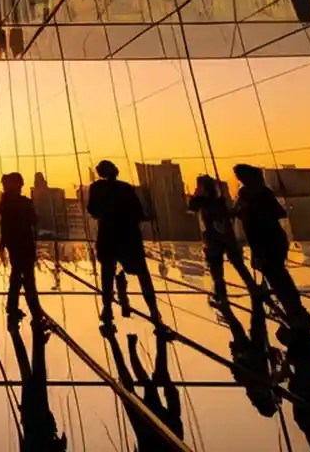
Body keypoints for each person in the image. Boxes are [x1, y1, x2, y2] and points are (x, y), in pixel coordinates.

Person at [232, 164, 310, 327]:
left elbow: (248, 215)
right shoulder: (260, 193)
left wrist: (247, 212)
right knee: (279, 276)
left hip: (266, 240)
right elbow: (278, 212)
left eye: (239, 176)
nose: (238, 179)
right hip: (271, 240)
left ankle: (295, 312)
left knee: (277, 276)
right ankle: (295, 310)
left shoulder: (254, 195)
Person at [87, 160, 161, 332]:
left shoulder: (97, 188)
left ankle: (107, 309)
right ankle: (153, 310)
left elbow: (93, 210)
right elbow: (138, 212)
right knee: (142, 273)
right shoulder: (126, 188)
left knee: (107, 273)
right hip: (129, 235)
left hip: (108, 235)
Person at [105, 329, 185, 450]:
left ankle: (113, 338)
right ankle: (114, 339)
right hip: (158, 426)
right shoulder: (174, 430)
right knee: (137, 385)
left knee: (130, 387)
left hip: (151, 427)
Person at [189, 174, 258, 301]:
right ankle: (251, 286)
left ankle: (221, 292)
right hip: (227, 237)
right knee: (237, 263)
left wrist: (196, 193)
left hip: (213, 239)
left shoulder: (203, 201)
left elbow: (191, 206)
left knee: (216, 266)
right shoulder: (219, 201)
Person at [9, 318, 68, 450]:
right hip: (33, 418)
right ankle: (20, 332)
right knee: (29, 373)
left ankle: (33, 334)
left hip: (38, 418)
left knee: (34, 374)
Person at [0, 172, 42, 322]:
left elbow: (4, 225)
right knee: (27, 277)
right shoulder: (23, 202)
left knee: (17, 275)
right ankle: (35, 310)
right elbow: (33, 219)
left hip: (14, 243)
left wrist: (3, 243)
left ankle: (13, 306)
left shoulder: (5, 203)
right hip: (24, 242)